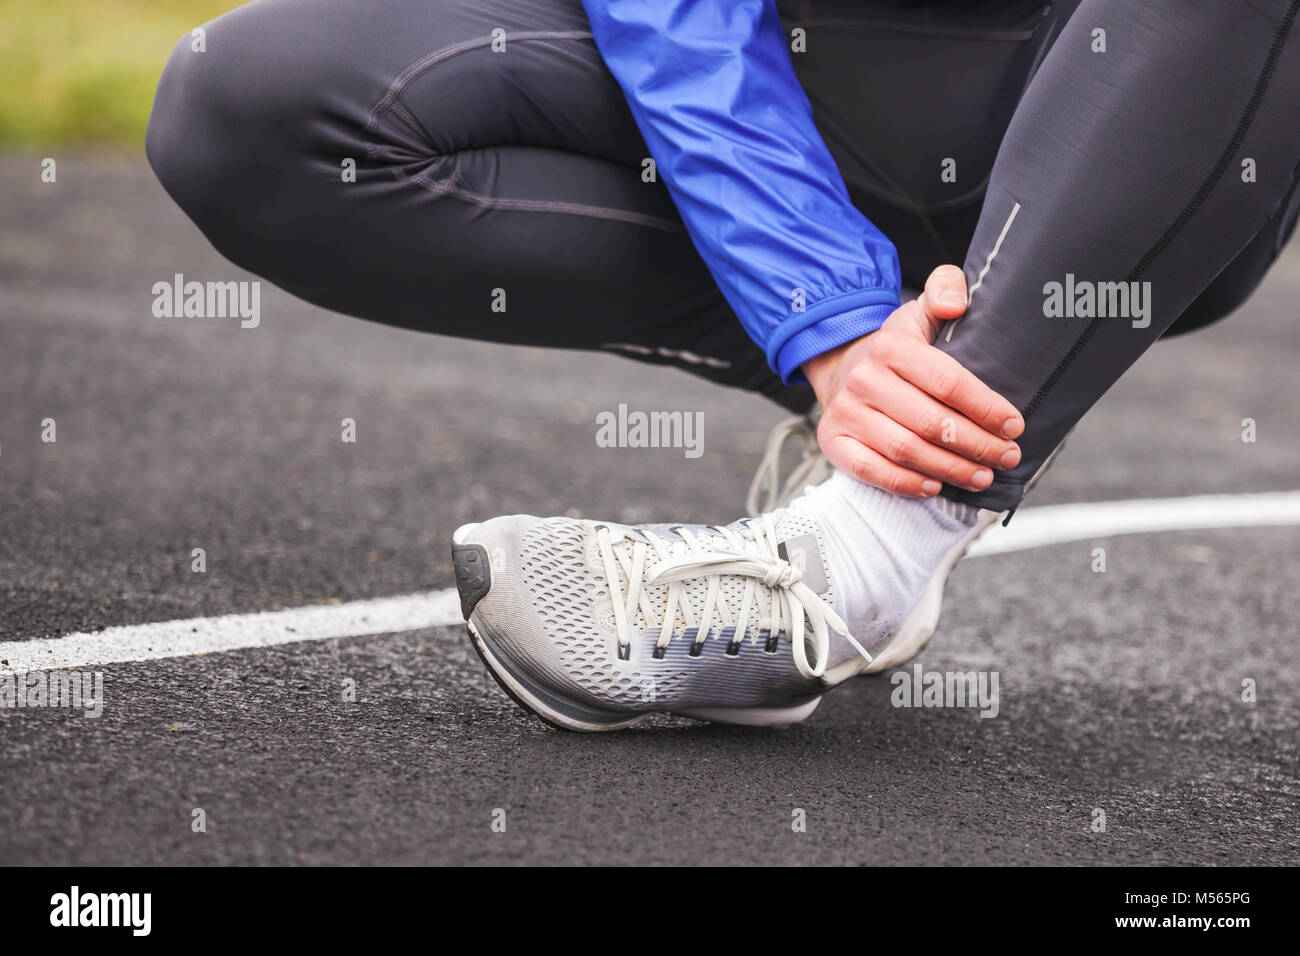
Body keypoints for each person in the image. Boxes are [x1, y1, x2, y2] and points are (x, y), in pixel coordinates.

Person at [147, 0, 1300, 730]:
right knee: (248, 105)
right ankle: (882, 413)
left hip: (1149, 75)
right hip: (810, 68)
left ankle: (870, 544)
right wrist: (829, 317)